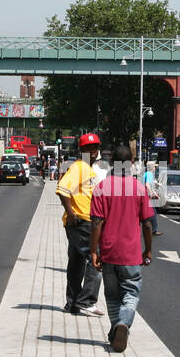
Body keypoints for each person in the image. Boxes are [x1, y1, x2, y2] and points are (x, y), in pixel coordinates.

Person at [90, 145, 155, 352]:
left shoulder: (101, 188)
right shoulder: (139, 188)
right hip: (131, 254)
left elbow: (96, 223)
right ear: (131, 164)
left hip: (108, 252)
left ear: (111, 163)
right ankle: (123, 324)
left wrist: (93, 251)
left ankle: (115, 330)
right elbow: (147, 223)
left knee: (111, 296)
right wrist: (148, 249)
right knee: (131, 293)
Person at [56, 132, 104, 316]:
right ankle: (87, 300)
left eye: (95, 147)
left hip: (81, 221)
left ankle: (73, 303)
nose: (93, 151)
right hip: (82, 221)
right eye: (88, 148)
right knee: (96, 258)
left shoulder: (87, 168)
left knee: (76, 263)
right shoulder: (79, 167)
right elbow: (62, 189)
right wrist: (71, 213)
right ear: (81, 150)